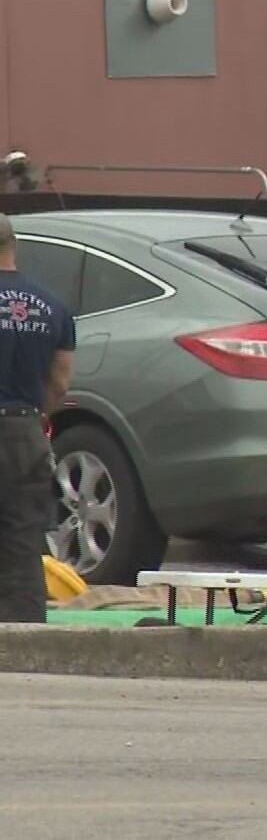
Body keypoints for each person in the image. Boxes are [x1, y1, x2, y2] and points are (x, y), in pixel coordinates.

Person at [0, 214, 71, 622]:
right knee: (24, 543)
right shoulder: (52, 305)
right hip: (26, 430)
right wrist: (35, 414)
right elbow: (61, 381)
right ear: (14, 246)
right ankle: (25, 639)